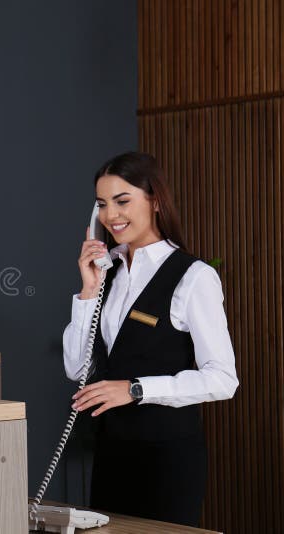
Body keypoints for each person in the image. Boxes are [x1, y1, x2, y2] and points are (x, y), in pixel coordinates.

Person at [62, 151, 239, 526]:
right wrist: (88, 291)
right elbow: (77, 369)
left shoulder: (194, 276)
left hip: (167, 457)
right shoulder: (105, 274)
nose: (111, 216)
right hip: (112, 453)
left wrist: (136, 389)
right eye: (102, 205)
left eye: (123, 201)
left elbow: (223, 379)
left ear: (155, 201)